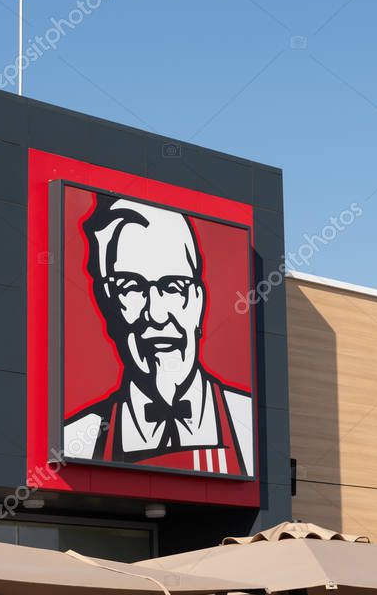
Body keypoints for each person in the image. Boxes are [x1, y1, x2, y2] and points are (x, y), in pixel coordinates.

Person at [63, 195, 253, 477]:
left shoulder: (246, 422)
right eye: (131, 287)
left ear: (198, 301)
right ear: (107, 304)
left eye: (174, 286)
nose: (157, 314)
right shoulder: (78, 440)